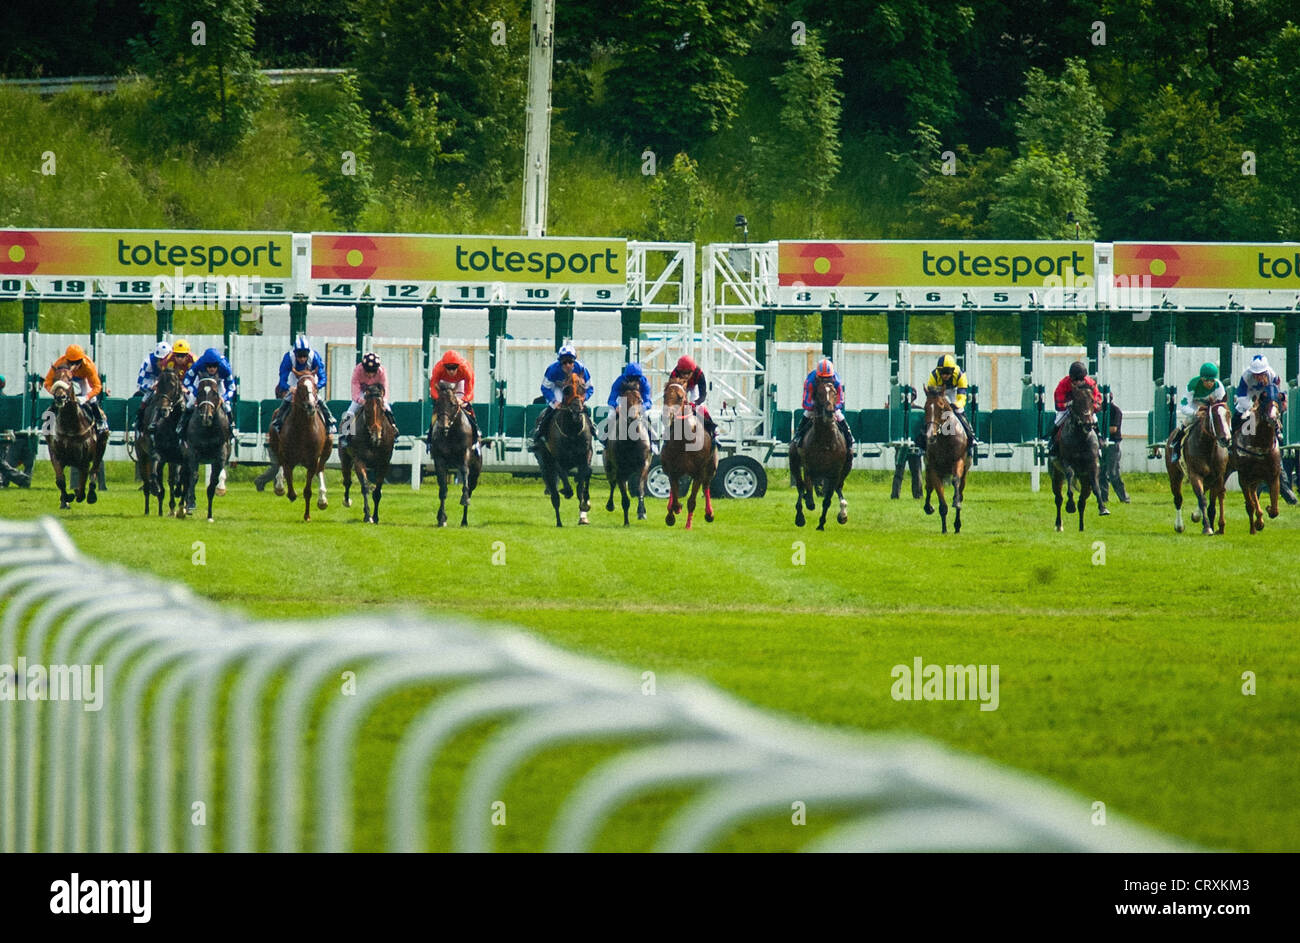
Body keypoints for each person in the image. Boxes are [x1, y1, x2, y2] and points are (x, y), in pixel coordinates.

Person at [1232, 354, 1296, 503]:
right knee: (1237, 416)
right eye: (1257, 374)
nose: (1260, 377)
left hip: (1264, 399)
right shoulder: (1246, 376)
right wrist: (1251, 408)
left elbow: (1274, 395)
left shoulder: (1272, 375)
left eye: (1261, 374)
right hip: (1247, 400)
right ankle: (1230, 440)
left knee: (1272, 416)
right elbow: (1241, 395)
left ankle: (1278, 433)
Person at [529, 344, 592, 450]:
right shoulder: (552, 369)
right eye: (564, 362)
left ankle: (592, 427)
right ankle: (539, 432)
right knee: (554, 406)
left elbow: (590, 388)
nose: (567, 365)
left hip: (575, 391)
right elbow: (545, 388)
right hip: (557, 388)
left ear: (574, 362)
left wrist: (583, 398)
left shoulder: (581, 369)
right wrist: (554, 401)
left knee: (581, 407)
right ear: (560, 362)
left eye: (570, 362)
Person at [271, 336, 336, 435]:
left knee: (318, 399)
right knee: (288, 398)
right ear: (295, 354)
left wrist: (317, 386)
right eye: (299, 356)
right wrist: (289, 388)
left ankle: (329, 421)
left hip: (310, 380)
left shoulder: (314, 357)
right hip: (294, 380)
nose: (302, 359)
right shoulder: (288, 358)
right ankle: (278, 421)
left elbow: (323, 377)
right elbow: (282, 380)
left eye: (304, 356)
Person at [42, 344, 109, 434]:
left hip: (82, 378)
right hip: (65, 378)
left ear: (82, 360)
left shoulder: (89, 366)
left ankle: (99, 420)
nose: (73, 366)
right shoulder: (59, 363)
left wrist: (86, 397)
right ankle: (48, 423)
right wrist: (55, 392)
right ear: (67, 360)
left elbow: (97, 387)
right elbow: (47, 382)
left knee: (92, 398)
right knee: (59, 396)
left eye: (77, 363)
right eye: (70, 363)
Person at [1168, 362, 1225, 464]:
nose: (1209, 383)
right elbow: (1183, 407)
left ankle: (1228, 448)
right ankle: (1176, 447)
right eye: (1206, 380)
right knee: (1188, 421)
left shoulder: (1219, 386)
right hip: (1196, 407)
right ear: (1201, 378)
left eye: (1212, 380)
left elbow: (1221, 405)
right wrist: (1195, 413)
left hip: (1212, 409)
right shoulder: (1192, 385)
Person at [919, 354, 976, 454]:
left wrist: (956, 404)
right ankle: (922, 439)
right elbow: (931, 396)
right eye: (942, 372)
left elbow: (962, 397)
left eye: (948, 372)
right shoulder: (934, 376)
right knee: (933, 412)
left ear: (953, 371)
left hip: (955, 391)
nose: (945, 375)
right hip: (940, 393)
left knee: (959, 410)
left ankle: (971, 435)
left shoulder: (961, 375)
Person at [793, 358, 855, 450]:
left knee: (839, 414)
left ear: (832, 376)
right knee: (807, 413)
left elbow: (841, 401)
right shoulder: (810, 381)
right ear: (817, 377)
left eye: (828, 378)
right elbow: (806, 402)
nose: (826, 381)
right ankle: (798, 436)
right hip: (816, 402)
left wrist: (833, 408)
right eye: (822, 379)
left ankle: (849, 437)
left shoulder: (837, 381)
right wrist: (815, 407)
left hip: (831, 403)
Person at [428, 349, 481, 453]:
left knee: (468, 408)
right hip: (444, 385)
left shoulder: (466, 369)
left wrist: (463, 400)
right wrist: (441, 399)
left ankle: (476, 435)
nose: (451, 371)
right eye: (448, 368)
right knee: (437, 410)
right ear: (444, 366)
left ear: (458, 366)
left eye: (454, 368)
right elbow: (433, 389)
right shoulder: (438, 369)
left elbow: (470, 391)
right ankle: (430, 437)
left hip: (461, 383)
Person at [340, 352, 397, 448]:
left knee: (388, 409)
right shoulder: (358, 370)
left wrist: (383, 400)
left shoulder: (382, 372)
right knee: (351, 410)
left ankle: (394, 430)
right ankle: (344, 436)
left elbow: (385, 387)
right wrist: (360, 400)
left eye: (373, 371)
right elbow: (355, 388)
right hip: (363, 393)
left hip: (377, 393)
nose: (370, 374)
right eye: (367, 371)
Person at [1047, 361, 1101, 458]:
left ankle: (1099, 440)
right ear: (1072, 378)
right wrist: (1067, 404)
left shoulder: (1091, 383)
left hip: (1085, 408)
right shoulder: (1063, 384)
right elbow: (1058, 400)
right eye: (1075, 380)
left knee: (1094, 418)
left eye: (1081, 379)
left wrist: (1093, 406)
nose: (1078, 382)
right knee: (1058, 420)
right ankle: (1053, 442)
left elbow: (1098, 398)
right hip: (1068, 408)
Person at [666, 355, 718, 447]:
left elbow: (703, 395)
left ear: (693, 371)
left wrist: (695, 404)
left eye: (688, 373)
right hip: (680, 388)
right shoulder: (674, 374)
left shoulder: (699, 373)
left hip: (694, 387)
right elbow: (672, 392)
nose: (686, 376)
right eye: (683, 373)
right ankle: (667, 433)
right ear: (679, 371)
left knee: (701, 409)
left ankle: (714, 433)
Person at [605, 362, 655, 450]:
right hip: (622, 402)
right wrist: (616, 407)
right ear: (626, 377)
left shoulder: (644, 382)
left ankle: (653, 442)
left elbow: (648, 401)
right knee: (611, 416)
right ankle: (605, 442)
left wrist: (641, 408)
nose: (633, 381)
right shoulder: (619, 381)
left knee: (647, 416)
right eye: (631, 378)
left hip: (638, 403)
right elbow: (611, 399)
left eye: (636, 379)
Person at [135, 340, 172, 432]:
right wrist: (151, 386)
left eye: (164, 360)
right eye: (158, 360)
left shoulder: (174, 361)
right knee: (149, 395)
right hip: (151, 382)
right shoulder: (147, 362)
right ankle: (139, 419)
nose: (160, 363)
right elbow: (139, 384)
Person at [1099, 399, 1129, 504]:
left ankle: (1124, 497)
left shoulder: (1116, 411)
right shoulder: (1098, 410)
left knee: (1113, 472)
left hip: (1113, 445)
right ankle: (1103, 498)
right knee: (1101, 473)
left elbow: (1113, 429)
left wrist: (1099, 428)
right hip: (1102, 445)